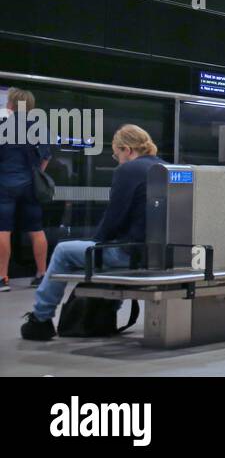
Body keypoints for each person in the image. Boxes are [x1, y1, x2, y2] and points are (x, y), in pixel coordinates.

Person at [21, 125, 164, 341]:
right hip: (160, 255)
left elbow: (114, 216)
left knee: (62, 250)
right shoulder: (165, 167)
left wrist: (96, 243)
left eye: (117, 155)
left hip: (130, 254)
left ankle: (40, 319)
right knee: (88, 250)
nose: (118, 160)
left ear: (127, 149)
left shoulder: (128, 170)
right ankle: (103, 313)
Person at [0, 88, 50, 292]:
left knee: (3, 230)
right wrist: (35, 174)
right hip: (31, 185)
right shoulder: (40, 128)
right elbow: (46, 157)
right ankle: (41, 274)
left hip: (4, 183)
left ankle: (2, 277)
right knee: (36, 230)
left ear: (10, 104)